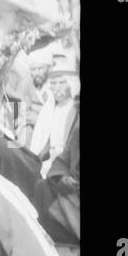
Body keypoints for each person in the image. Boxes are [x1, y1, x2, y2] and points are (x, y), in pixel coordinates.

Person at [33, 99, 80, 245]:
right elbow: (62, 161)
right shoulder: (78, 132)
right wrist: (62, 178)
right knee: (42, 187)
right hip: (71, 192)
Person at [29, 65, 78, 177]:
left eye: (61, 83)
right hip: (50, 161)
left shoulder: (75, 109)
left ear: (71, 84)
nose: (57, 88)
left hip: (66, 165)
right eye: (54, 83)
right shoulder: (50, 108)